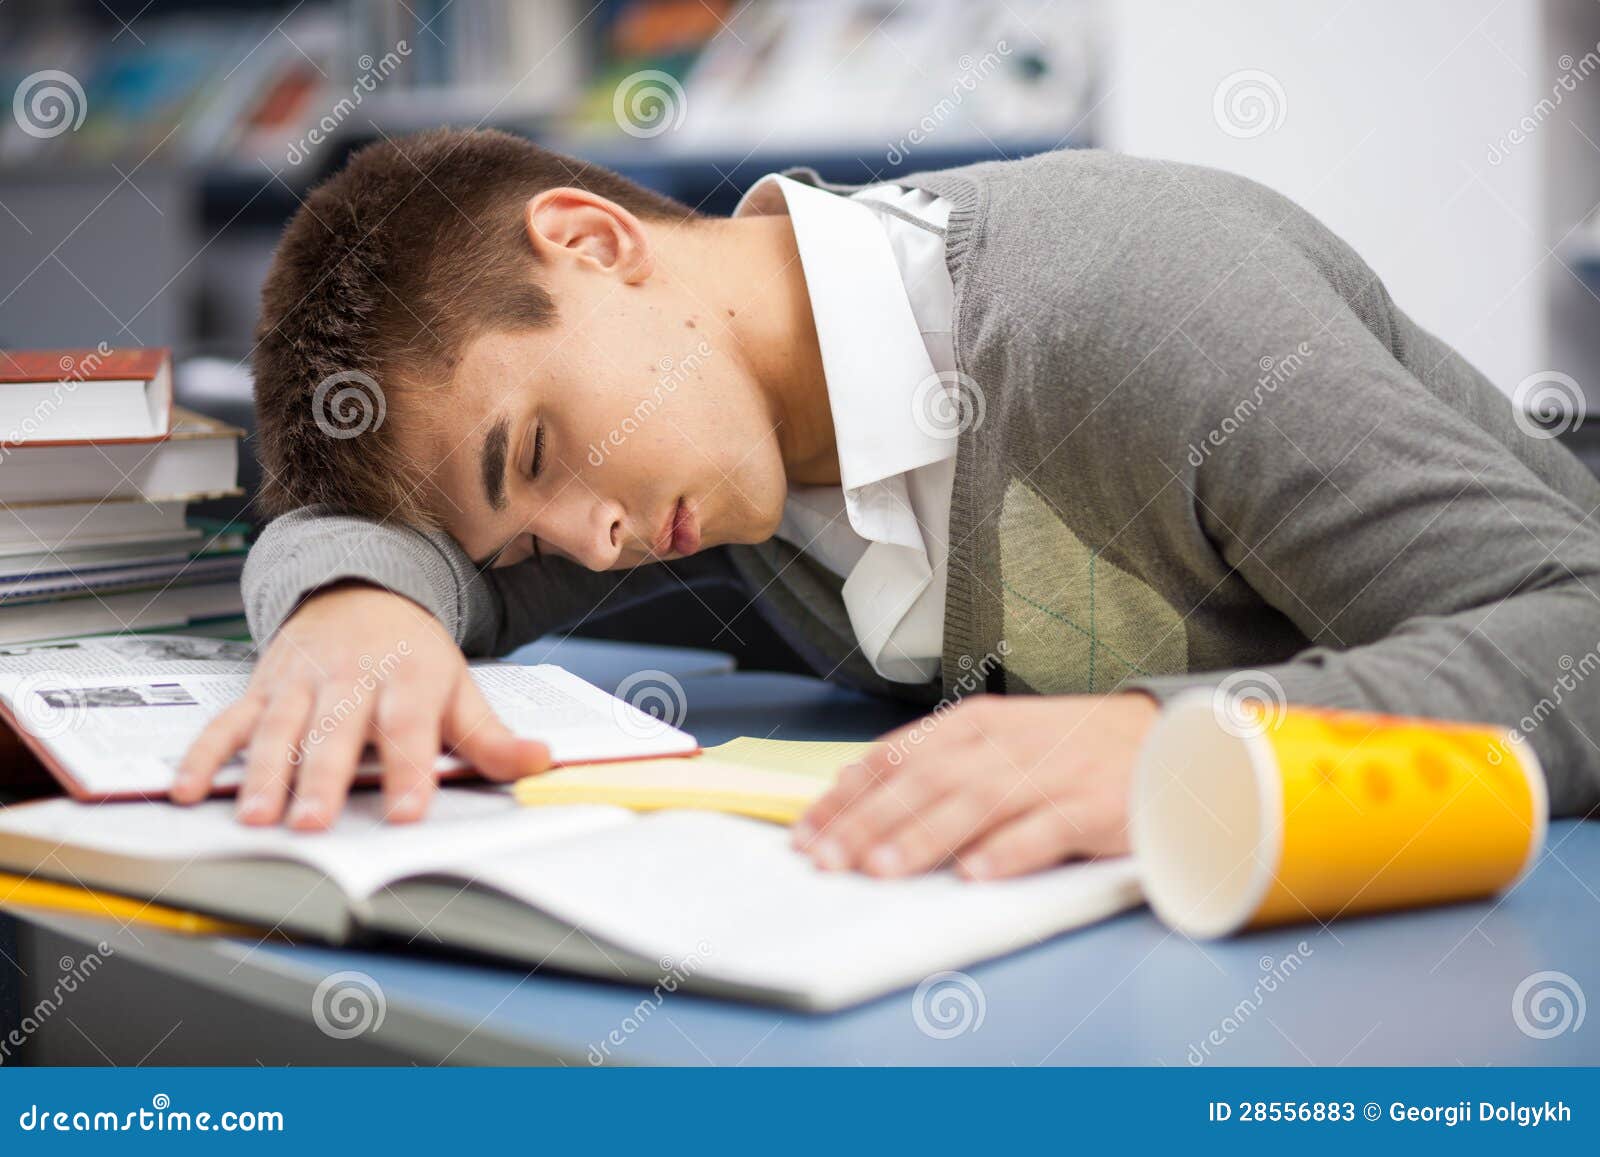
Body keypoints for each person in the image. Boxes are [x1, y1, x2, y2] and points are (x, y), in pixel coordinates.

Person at [175, 128, 1600, 879]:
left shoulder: (1131, 304)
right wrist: (350, 610)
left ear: (597, 243)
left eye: (533, 452)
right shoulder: (691, 475)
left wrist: (1172, 749)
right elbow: (389, 548)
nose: (585, 543)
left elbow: (1576, 632)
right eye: (528, 539)